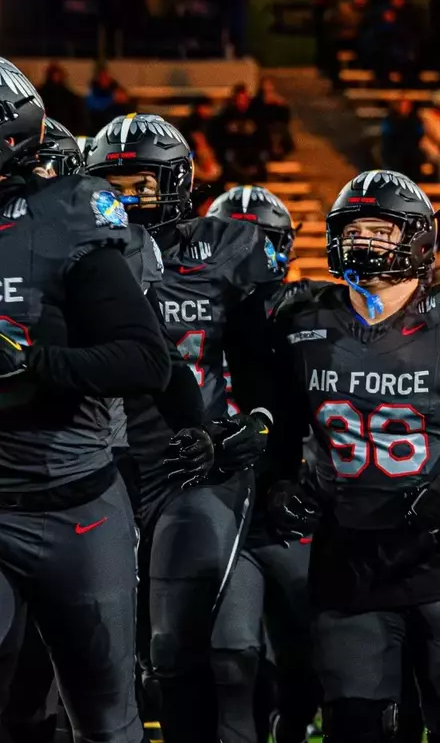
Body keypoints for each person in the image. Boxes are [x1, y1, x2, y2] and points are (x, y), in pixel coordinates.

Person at [258, 170, 440, 742]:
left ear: (416, 241)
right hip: (349, 554)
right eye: (353, 229)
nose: (363, 241)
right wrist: (279, 482)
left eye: (379, 230)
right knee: (354, 723)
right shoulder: (306, 318)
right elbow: (282, 426)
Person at [85, 113, 283, 743]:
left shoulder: (229, 247)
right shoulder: (73, 244)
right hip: (99, 467)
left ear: (174, 182)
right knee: (97, 659)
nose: (127, 198)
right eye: (112, 184)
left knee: (185, 649)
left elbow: (268, 365)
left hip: (194, 465)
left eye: (141, 183)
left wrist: (259, 423)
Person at [0, 61, 174, 743]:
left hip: (76, 504)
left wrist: (32, 361)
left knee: (105, 716)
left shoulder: (69, 213)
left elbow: (144, 360)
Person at [200, 183, 319, 740]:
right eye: (234, 237)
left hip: (294, 506)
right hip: (217, 503)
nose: (248, 251)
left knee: (309, 661)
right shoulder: (177, 303)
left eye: (261, 240)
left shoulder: (316, 313)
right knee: (230, 658)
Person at [208, 84, 270, 184]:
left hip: (252, 153)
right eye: (240, 99)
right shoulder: (225, 116)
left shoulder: (256, 116)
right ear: (234, 100)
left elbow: (263, 138)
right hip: (233, 153)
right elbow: (217, 137)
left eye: (245, 99)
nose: (243, 102)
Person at [380, 98, 425, 179]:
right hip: (394, 148)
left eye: (408, 105)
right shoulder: (390, 119)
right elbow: (388, 136)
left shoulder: (415, 119)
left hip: (412, 148)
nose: (406, 107)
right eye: (404, 105)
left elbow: (420, 133)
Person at [37, 62, 84, 132]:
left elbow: (79, 119)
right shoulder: (40, 95)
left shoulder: (70, 98)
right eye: (54, 75)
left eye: (58, 75)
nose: (56, 78)